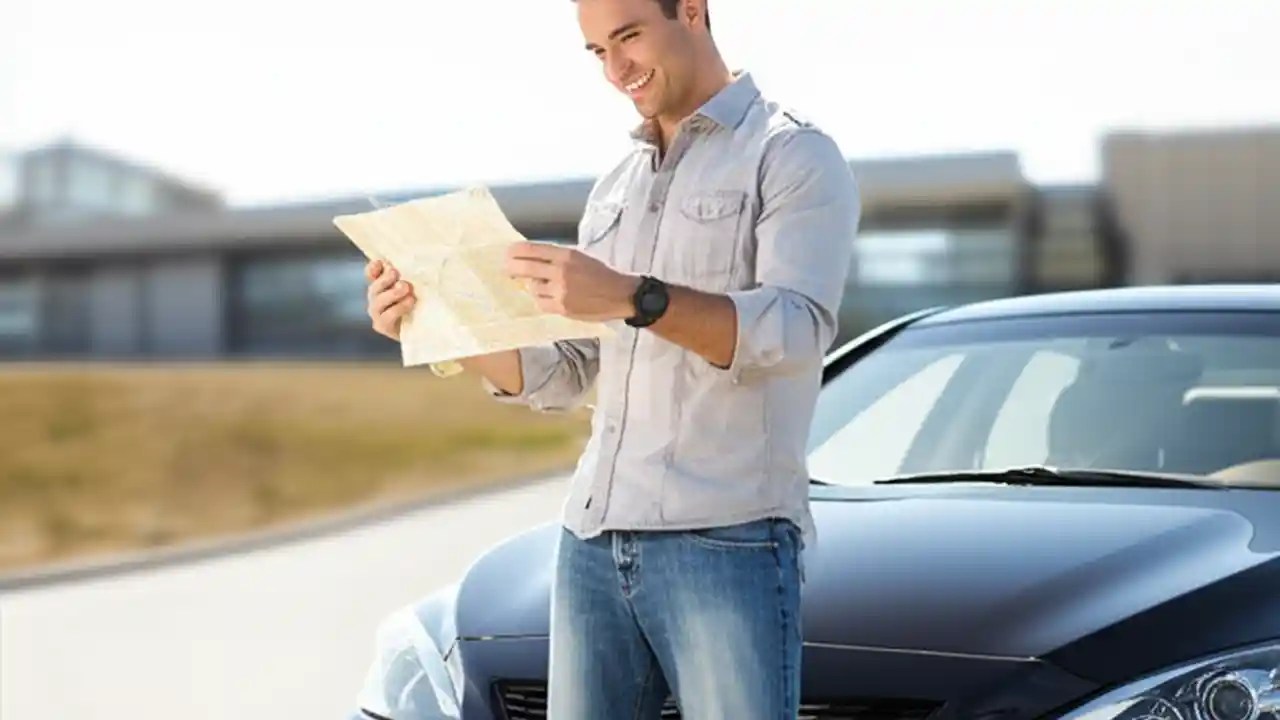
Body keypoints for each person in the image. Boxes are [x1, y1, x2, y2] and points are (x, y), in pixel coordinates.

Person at [363, 0, 860, 716]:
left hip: (726, 540)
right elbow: (571, 368)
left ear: (692, 10)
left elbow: (795, 331)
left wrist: (633, 295)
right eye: (597, 51)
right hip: (593, 543)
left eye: (628, 37)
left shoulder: (791, 156)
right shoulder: (616, 187)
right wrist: (439, 324)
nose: (615, 69)